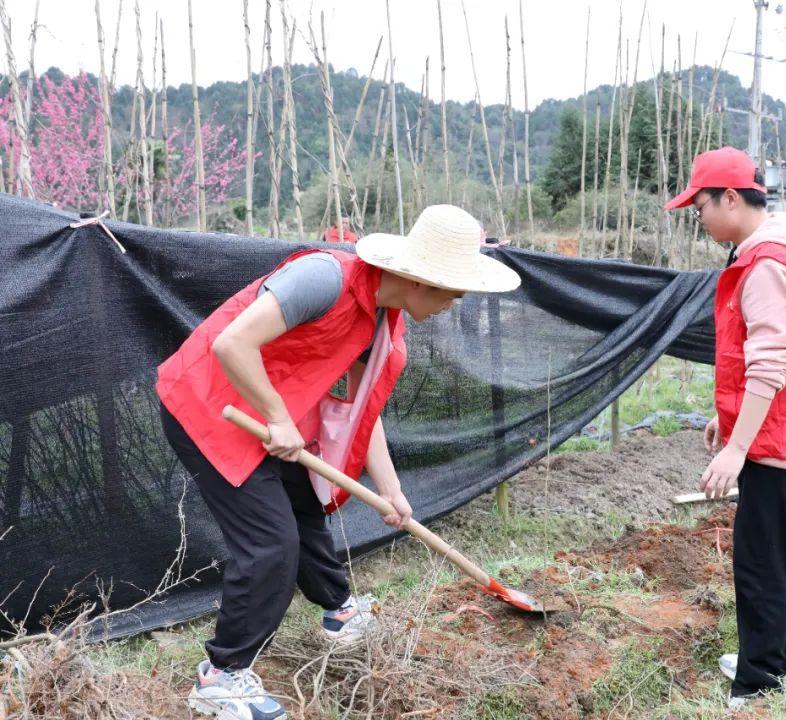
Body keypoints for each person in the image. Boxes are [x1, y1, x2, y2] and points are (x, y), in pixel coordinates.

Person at [156, 205, 520, 720]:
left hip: (271, 413)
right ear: (422, 281)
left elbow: (361, 411)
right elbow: (231, 343)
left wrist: (391, 493)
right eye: (453, 292)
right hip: (211, 407)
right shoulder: (323, 278)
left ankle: (338, 611)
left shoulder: (385, 322)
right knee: (269, 547)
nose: (454, 304)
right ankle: (221, 676)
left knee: (306, 507)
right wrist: (278, 418)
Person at [666, 147, 786, 709]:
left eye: (701, 205)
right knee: (774, 552)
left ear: (732, 199)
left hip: (784, 442)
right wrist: (730, 424)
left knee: (761, 562)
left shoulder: (768, 264)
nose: (699, 217)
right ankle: (773, 659)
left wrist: (739, 446)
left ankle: (762, 680)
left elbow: (771, 362)